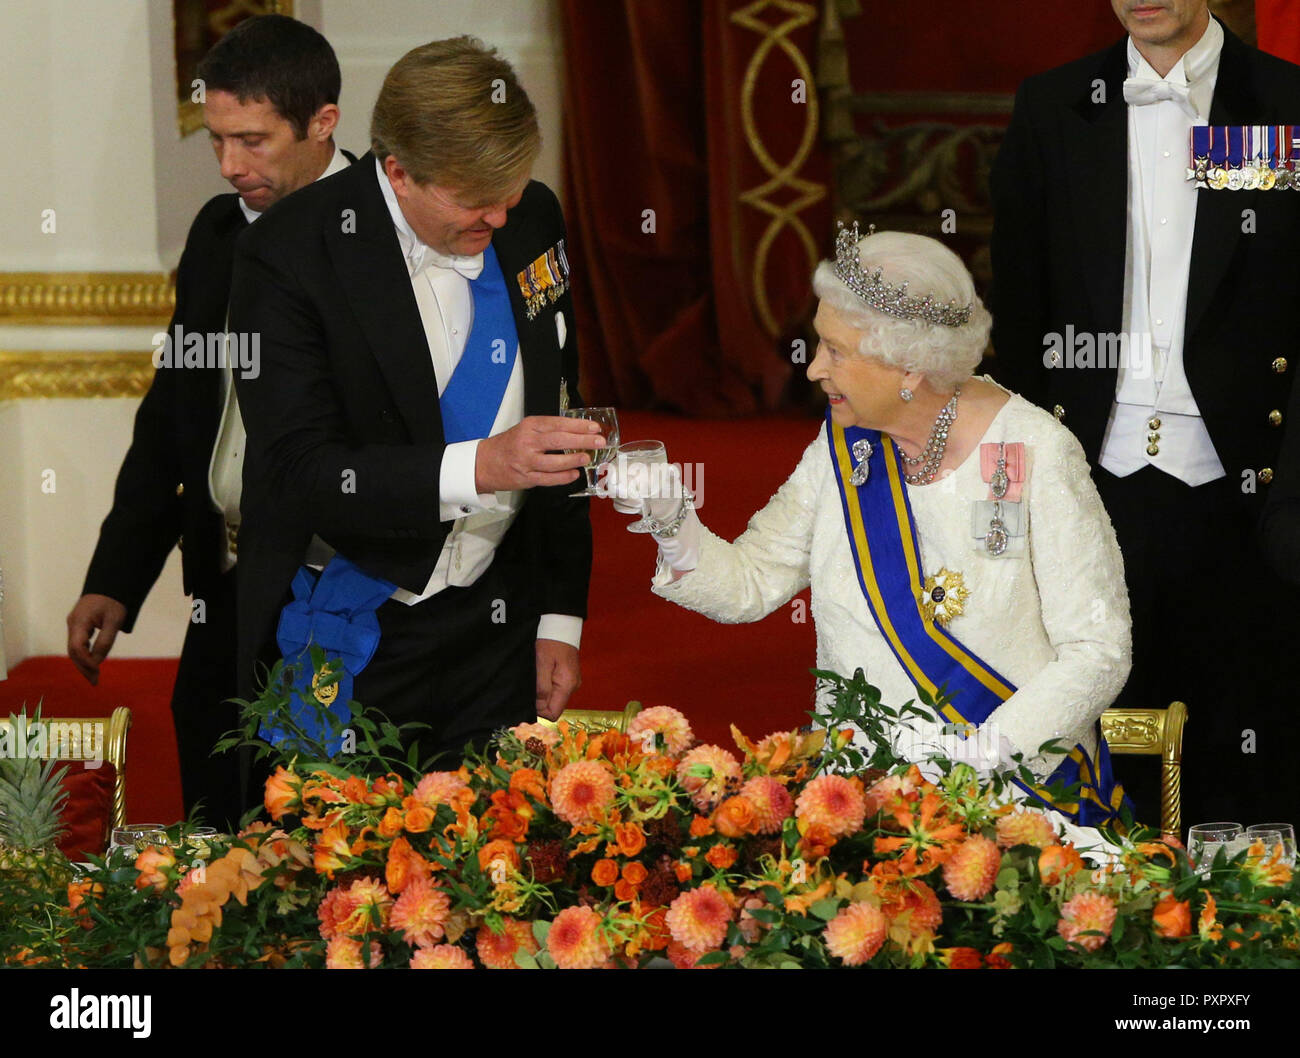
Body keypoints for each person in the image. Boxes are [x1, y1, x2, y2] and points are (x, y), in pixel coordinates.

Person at [610, 229, 1133, 819]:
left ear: (907, 365)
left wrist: (974, 762)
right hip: (860, 805)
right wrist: (670, 517)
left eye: (835, 350)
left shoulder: (1033, 448)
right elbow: (750, 584)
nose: (812, 370)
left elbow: (1097, 650)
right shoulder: (842, 444)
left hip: (1013, 803)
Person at [228, 37, 598, 765]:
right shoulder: (286, 254)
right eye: (474, 202)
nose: (498, 219)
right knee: (350, 872)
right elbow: (302, 467)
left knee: (492, 866)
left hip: (498, 617)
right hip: (351, 618)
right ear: (397, 171)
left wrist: (559, 616)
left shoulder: (531, 219)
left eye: (511, 193)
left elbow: (563, 406)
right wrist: (482, 466)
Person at [988, 1, 1300, 825]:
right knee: (1097, 744)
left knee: (1243, 740)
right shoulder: (1052, 103)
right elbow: (1020, 312)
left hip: (1246, 485)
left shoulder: (1281, 104)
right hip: (1094, 477)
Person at [67, 14, 349, 829]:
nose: (230, 166)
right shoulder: (217, 232)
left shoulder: (384, 239)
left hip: (339, 597)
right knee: (216, 835)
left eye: (253, 141)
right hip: (221, 593)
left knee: (328, 849)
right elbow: (174, 417)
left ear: (322, 122)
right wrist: (115, 574)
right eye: (217, 140)